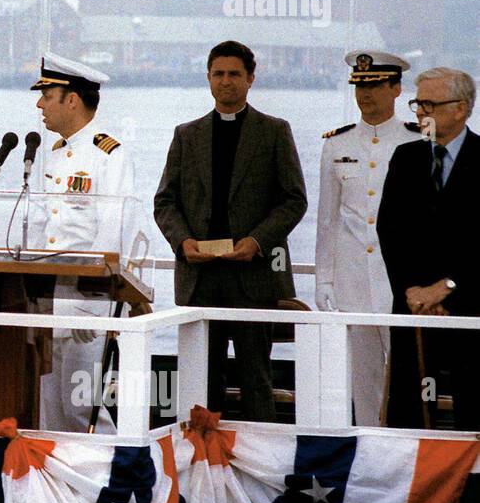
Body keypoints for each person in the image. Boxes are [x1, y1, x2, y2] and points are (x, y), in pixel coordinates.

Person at [153, 40, 307, 422]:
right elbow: (165, 202)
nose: (226, 82)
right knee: (202, 380)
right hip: (200, 277)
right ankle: (203, 467)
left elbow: (293, 200)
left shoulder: (274, 131)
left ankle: (264, 471)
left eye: (234, 74)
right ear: (208, 78)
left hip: (253, 279)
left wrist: (257, 241)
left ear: (251, 79)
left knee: (257, 378)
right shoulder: (186, 135)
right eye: (218, 74)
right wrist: (182, 241)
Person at [314, 50, 418, 426]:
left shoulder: (417, 142)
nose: (365, 95)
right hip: (353, 280)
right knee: (362, 380)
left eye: (374, 85)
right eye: (360, 86)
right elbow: (328, 219)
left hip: (400, 282)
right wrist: (324, 278)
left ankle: (405, 453)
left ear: (396, 89)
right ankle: (369, 451)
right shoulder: (337, 144)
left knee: (408, 375)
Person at [32, 53, 135, 432]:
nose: (39, 104)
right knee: (47, 408)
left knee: (83, 409)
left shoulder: (109, 155)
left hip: (87, 302)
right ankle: (59, 485)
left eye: (47, 95)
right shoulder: (54, 157)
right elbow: (42, 228)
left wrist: (96, 299)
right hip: (48, 300)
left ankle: (107, 483)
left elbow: (114, 230)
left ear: (71, 99)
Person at [378, 67, 480, 431]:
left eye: (431, 105)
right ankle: (412, 487)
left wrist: (447, 287)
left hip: (471, 311)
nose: (421, 113)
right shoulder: (406, 159)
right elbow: (390, 232)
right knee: (410, 410)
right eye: (418, 104)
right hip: (414, 309)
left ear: (462, 109)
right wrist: (413, 292)